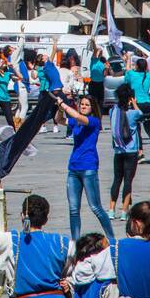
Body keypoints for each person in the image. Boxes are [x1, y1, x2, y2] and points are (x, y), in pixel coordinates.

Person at [57, 92, 113, 241]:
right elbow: (59, 120)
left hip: (89, 167)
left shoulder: (93, 121)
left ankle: (112, 238)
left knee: (96, 207)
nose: (83, 106)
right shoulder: (76, 121)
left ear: (92, 108)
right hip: (73, 168)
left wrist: (63, 104)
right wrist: (60, 108)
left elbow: (76, 117)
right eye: (82, 104)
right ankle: (75, 241)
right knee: (73, 209)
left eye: (87, 105)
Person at [108, 85, 143, 221]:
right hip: (131, 150)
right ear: (129, 98)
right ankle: (124, 211)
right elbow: (141, 115)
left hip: (118, 150)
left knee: (117, 179)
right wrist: (134, 104)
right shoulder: (133, 113)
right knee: (128, 181)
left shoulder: (113, 111)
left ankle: (111, 209)